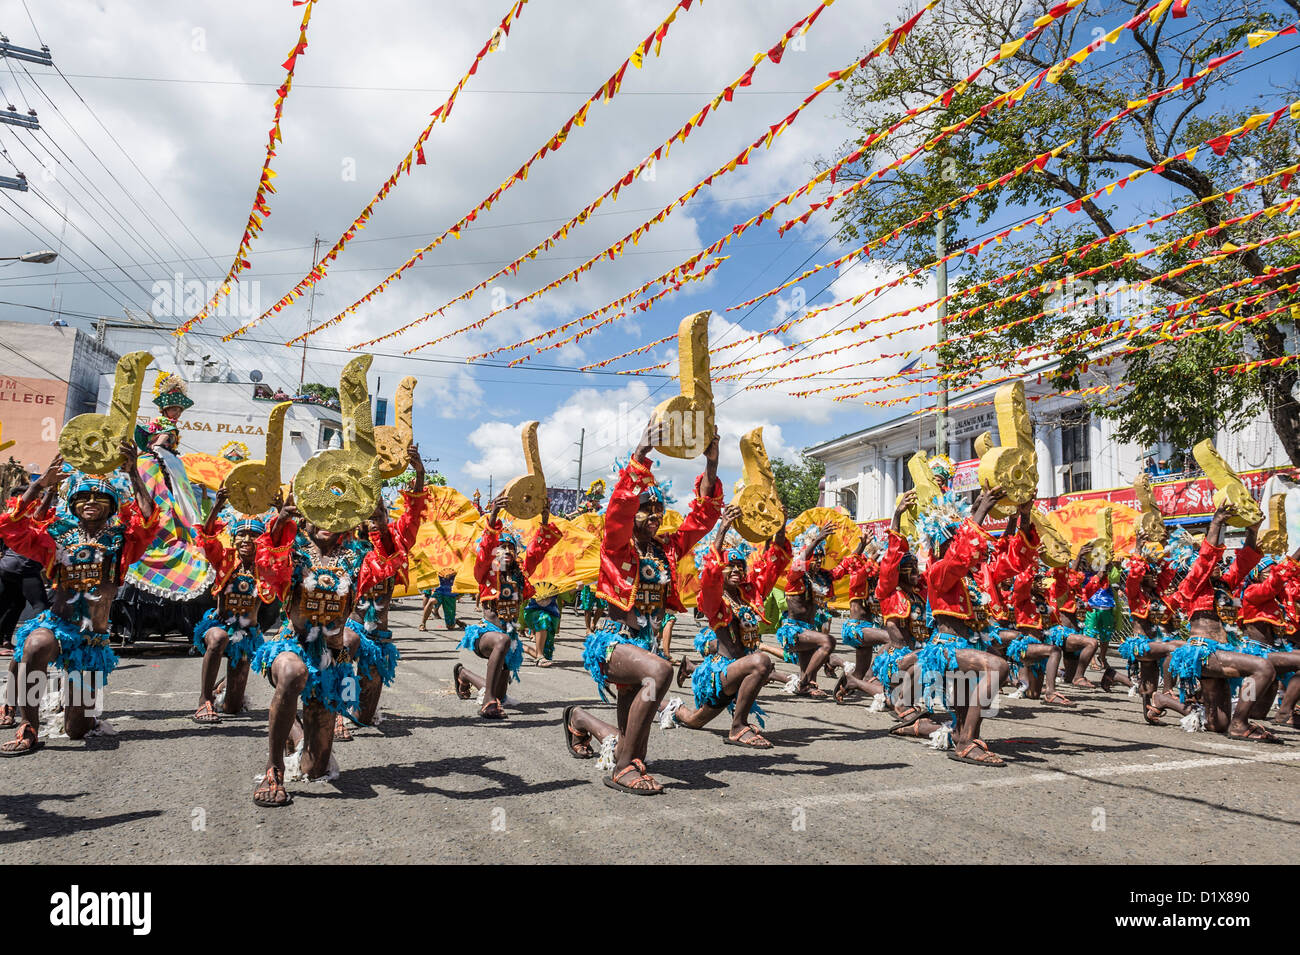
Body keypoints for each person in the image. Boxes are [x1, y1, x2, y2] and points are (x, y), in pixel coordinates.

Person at [562, 425, 721, 795]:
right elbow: (619, 510)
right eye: (646, 508)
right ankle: (622, 770)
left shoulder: (665, 549)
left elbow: (700, 520)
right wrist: (640, 454)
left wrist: (711, 464)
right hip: (614, 645)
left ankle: (579, 719)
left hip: (644, 647)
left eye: (658, 508)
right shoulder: (617, 545)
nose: (654, 514)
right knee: (659, 670)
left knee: (634, 738)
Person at [0, 448, 159, 755]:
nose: (90, 502)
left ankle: (76, 708)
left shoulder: (121, 540)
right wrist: (40, 485)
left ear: (110, 505)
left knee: (77, 730)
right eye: (83, 497)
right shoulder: (57, 535)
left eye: (99, 498)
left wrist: (133, 473)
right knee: (33, 645)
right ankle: (28, 725)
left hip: (93, 642)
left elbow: (150, 520)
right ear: (72, 503)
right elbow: (14, 524)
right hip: (58, 626)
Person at [249, 492, 369, 806]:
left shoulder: (356, 554)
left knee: (315, 770)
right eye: (320, 512)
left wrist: (345, 666)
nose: (327, 520)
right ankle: (273, 767)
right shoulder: (295, 548)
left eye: (336, 514)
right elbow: (270, 561)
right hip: (292, 647)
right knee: (292, 673)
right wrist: (282, 522)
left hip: (332, 656)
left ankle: (290, 724)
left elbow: (391, 557)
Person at [660, 504, 790, 746]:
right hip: (722, 674)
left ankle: (666, 704)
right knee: (762, 661)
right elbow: (709, 575)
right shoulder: (714, 599)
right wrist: (722, 529)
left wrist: (779, 523)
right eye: (730, 566)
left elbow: (775, 561)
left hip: (741, 673)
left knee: (693, 720)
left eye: (741, 566)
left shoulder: (750, 594)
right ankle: (738, 727)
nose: (737, 571)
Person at [1163, 500, 1281, 742]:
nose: (1217, 564)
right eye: (1213, 563)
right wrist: (1216, 523)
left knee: (1218, 724)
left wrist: (1252, 530)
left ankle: (1163, 700)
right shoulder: (1192, 586)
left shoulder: (1224, 585)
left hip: (1221, 653)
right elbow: (1206, 559)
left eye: (1219, 562)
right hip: (1203, 652)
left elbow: (1245, 561)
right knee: (1263, 667)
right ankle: (1241, 723)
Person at [452, 493, 559, 718]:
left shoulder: (520, 573)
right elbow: (484, 549)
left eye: (510, 547)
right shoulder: (486, 571)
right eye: (501, 547)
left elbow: (538, 550)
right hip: (487, 636)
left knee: (501, 687)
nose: (506, 551)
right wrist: (492, 516)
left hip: (510, 638)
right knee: (502, 641)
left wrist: (546, 520)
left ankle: (464, 675)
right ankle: (488, 703)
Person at [349, 444, 426, 729]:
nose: (374, 516)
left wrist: (419, 473)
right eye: (368, 512)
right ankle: (335, 711)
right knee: (343, 653)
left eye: (379, 510)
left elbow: (414, 511)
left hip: (379, 629)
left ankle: (356, 713)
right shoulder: (344, 543)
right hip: (346, 627)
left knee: (365, 717)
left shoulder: (397, 541)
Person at [191, 487, 272, 724]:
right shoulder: (224, 558)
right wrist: (216, 506)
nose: (247, 540)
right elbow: (206, 537)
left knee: (232, 708)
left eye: (254, 535)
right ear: (234, 538)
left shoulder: (266, 566)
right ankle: (204, 700)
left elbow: (283, 548)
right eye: (242, 535)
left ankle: (220, 689)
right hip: (219, 626)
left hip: (247, 635)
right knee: (217, 639)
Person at [773, 524, 837, 696]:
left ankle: (805, 684)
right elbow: (799, 563)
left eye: (820, 558)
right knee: (828, 641)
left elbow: (843, 569)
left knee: (809, 668)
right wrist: (817, 539)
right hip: (793, 630)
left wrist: (861, 548)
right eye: (814, 557)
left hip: (808, 629)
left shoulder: (820, 579)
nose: (817, 561)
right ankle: (802, 683)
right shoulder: (795, 578)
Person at [0, 482, 54, 656]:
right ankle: (45, 642)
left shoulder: (18, 518)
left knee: (13, 604)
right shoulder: (19, 517)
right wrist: (50, 492)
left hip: (9, 567)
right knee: (40, 606)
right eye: (34, 498)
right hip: (23, 568)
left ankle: (4, 641)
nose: (36, 501)